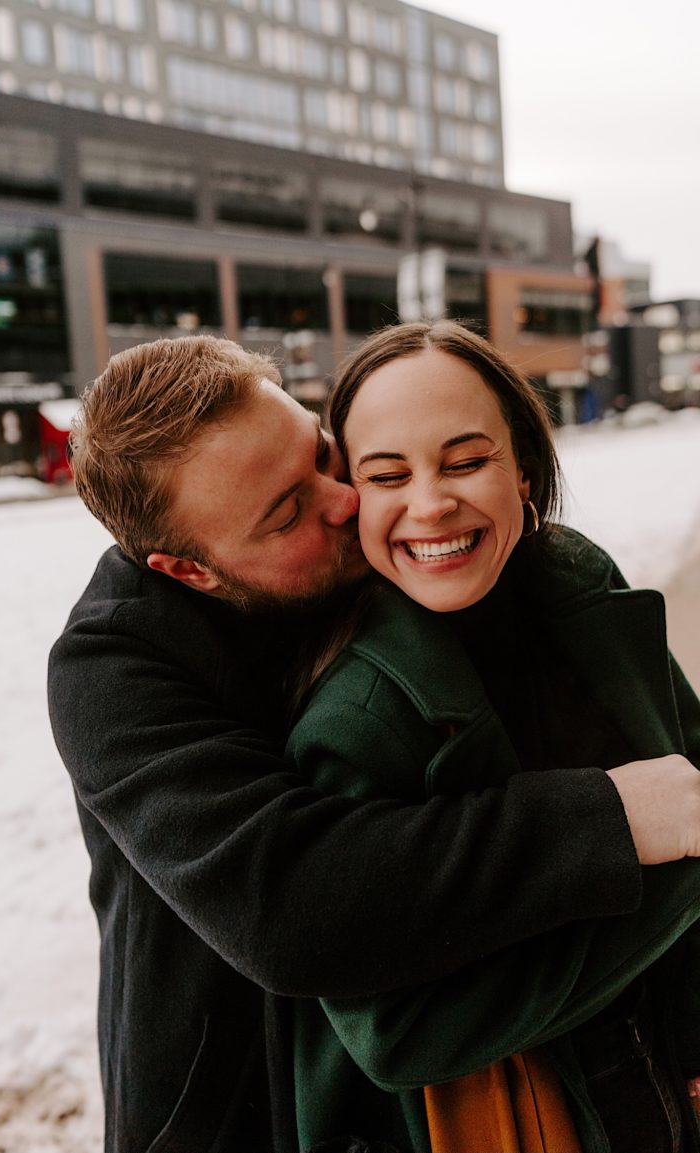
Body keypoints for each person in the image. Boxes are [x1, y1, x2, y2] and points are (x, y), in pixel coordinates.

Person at [48, 333, 700, 1153]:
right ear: (189, 570)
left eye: (323, 454)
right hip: (225, 1104)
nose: (346, 499)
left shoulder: (443, 573)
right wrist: (612, 820)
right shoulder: (111, 673)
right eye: (289, 511)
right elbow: (290, 903)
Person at [285, 320, 700, 1152]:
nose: (431, 501)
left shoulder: (580, 585)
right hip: (523, 1121)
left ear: (524, 466)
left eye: (466, 460)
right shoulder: (355, 713)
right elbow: (397, 1030)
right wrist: (679, 886)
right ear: (349, 497)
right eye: (388, 474)